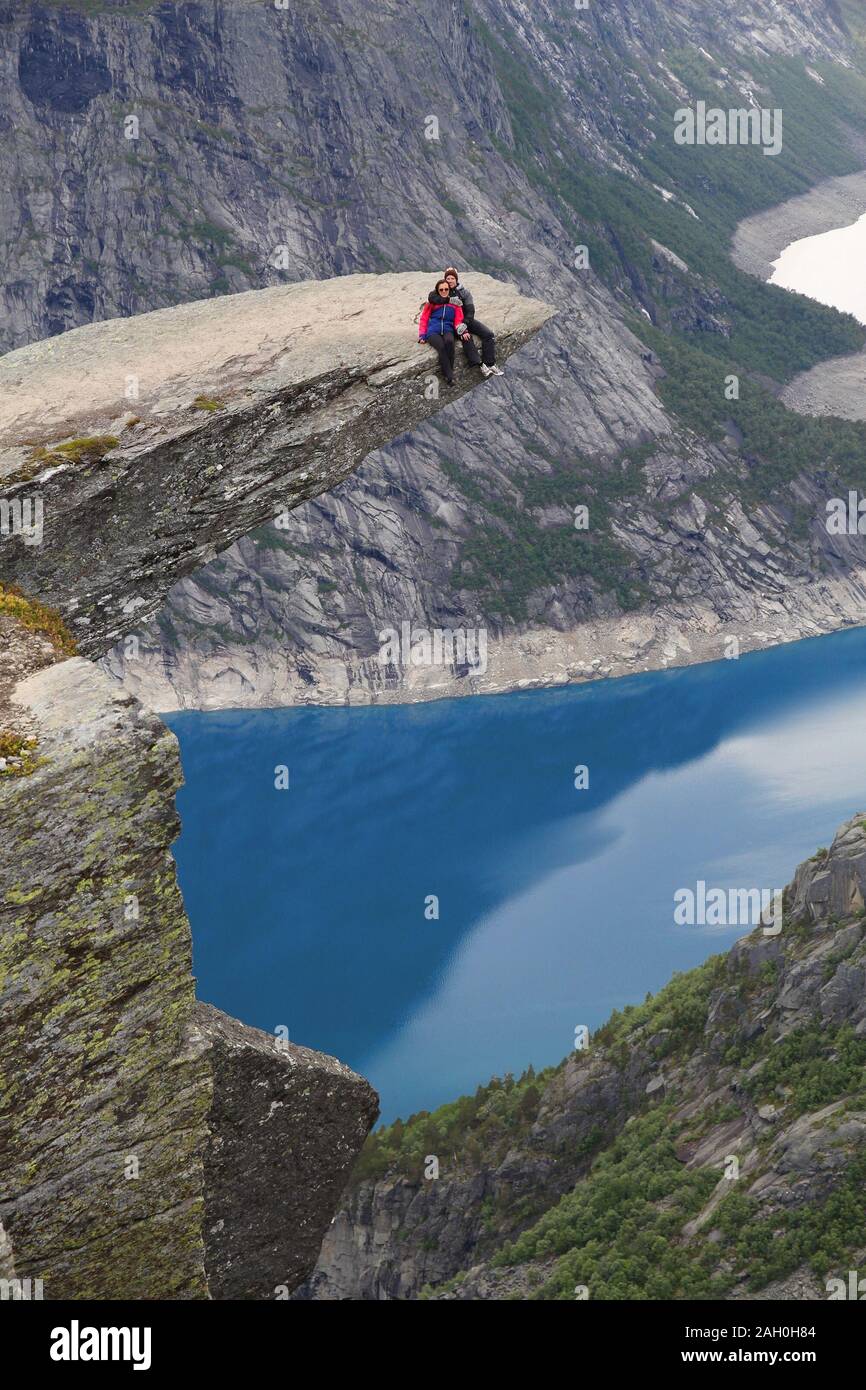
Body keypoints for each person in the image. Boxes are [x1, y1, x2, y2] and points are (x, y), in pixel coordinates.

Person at [443, 266, 504, 377]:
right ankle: (480, 365)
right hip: (452, 323)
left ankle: (490, 363)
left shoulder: (464, 293)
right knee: (467, 337)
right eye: (448, 278)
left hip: (466, 320)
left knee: (488, 334)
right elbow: (434, 299)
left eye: (452, 278)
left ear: (456, 279)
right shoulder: (442, 291)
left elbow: (470, 310)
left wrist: (465, 323)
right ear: (445, 280)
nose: (450, 280)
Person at [418, 278, 479, 385]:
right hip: (433, 331)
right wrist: (422, 335)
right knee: (441, 347)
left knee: (450, 343)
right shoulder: (432, 303)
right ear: (437, 291)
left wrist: (463, 331)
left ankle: (448, 372)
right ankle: (449, 376)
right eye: (441, 290)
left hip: (447, 329)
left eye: (446, 289)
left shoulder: (455, 304)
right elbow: (424, 319)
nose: (444, 291)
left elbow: (458, 321)